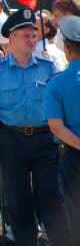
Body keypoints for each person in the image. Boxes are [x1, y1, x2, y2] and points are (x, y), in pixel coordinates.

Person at [0, 9, 70, 246]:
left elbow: (59, 102)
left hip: (44, 140)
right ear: (12, 39)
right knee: (18, 200)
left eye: (33, 35)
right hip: (11, 139)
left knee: (51, 197)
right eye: (26, 36)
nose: (31, 40)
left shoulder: (47, 66)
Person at [43, 14, 80, 238]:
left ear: (66, 50)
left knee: (75, 212)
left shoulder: (56, 83)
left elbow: (56, 127)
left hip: (73, 156)